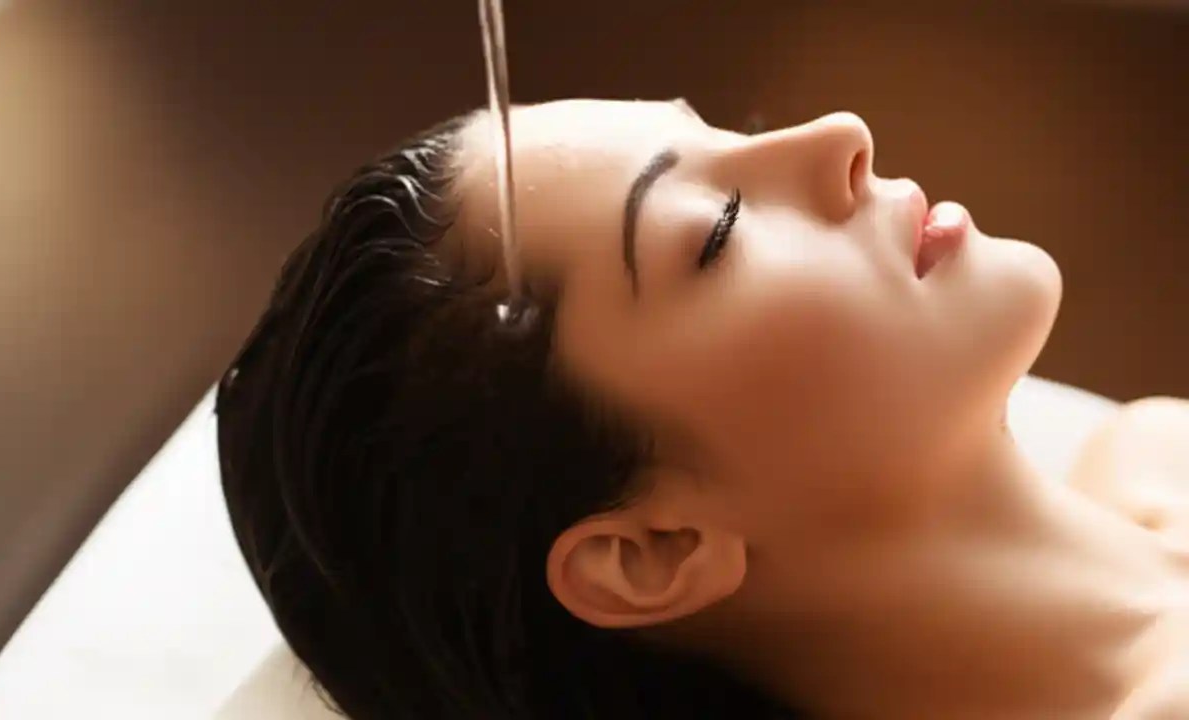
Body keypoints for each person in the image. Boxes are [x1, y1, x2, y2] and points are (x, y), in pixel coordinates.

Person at [214, 99, 1189, 719]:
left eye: (728, 131)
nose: (837, 136)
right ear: (652, 551)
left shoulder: (1152, 449)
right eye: (716, 232)